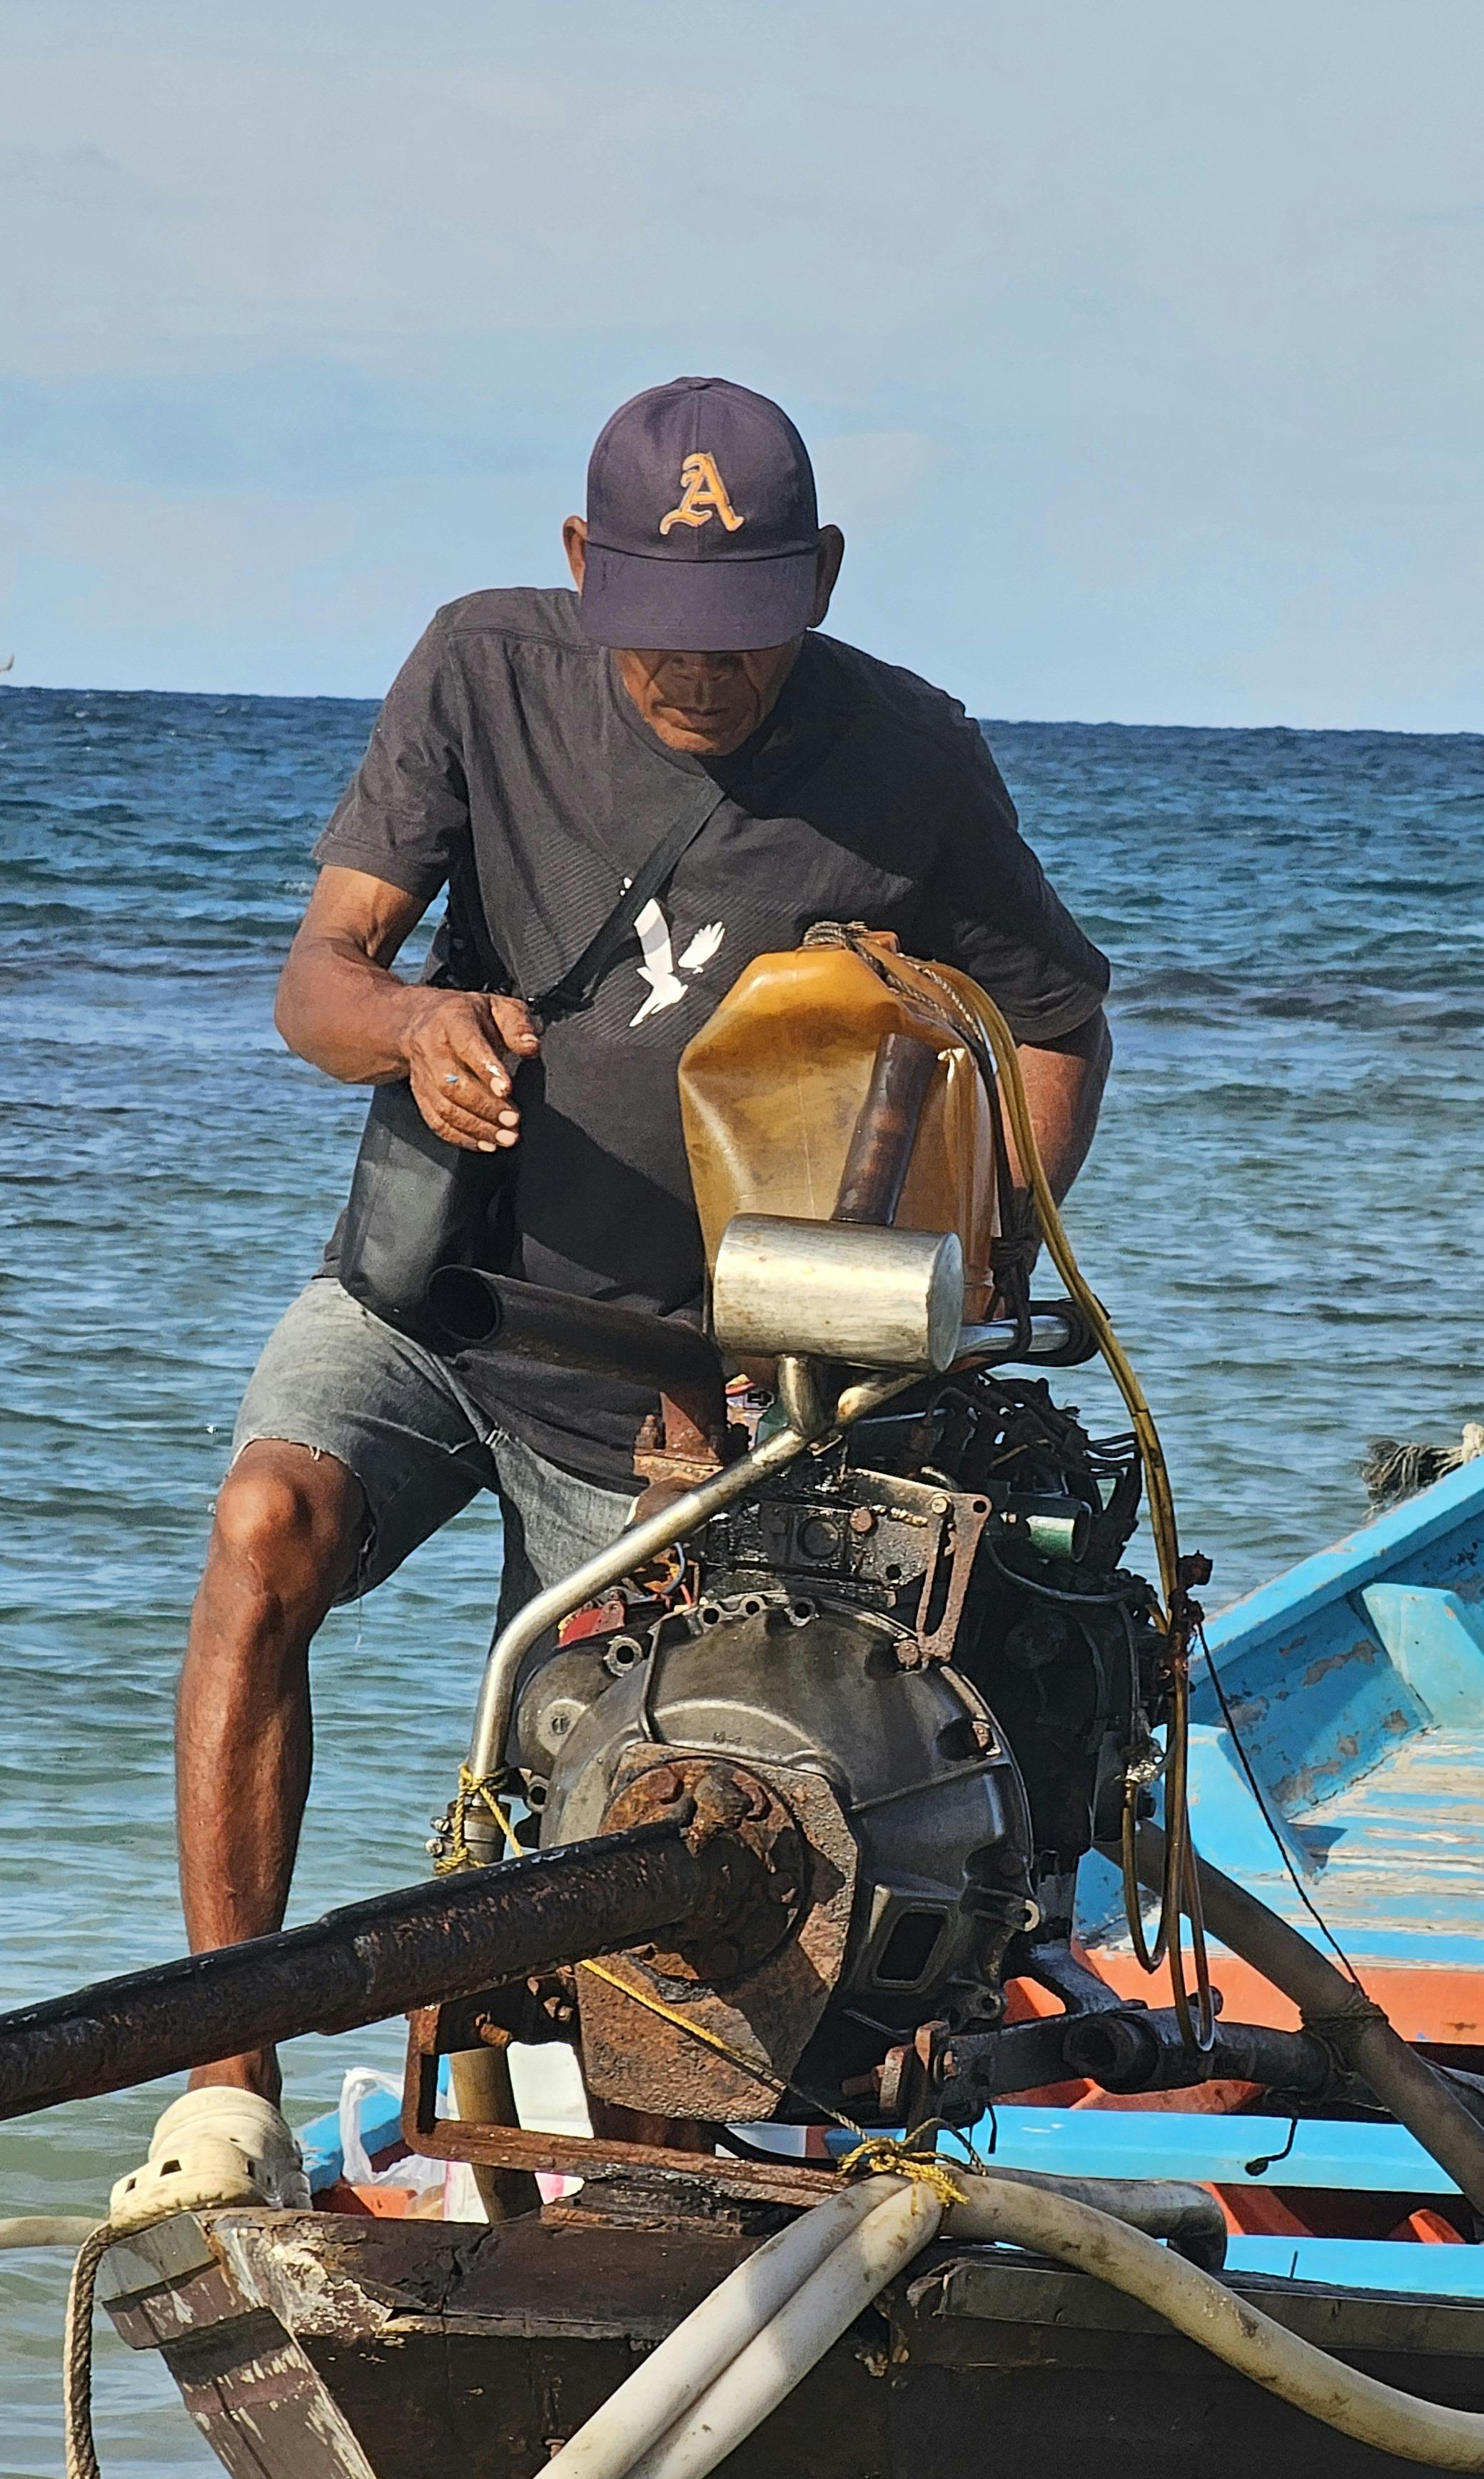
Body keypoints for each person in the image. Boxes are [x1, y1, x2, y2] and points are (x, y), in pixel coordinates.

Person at [168, 375, 1113, 2116]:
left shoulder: (910, 758)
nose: (693, 675)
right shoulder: (482, 666)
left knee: (604, 1778)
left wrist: (969, 1284)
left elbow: (1057, 1016)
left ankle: (535, 2135)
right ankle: (231, 2087)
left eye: (741, 636)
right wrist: (415, 1028)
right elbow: (320, 978)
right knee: (262, 1526)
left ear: (823, 575)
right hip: (437, 1289)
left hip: (684, 1377)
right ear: (578, 563)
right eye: (656, 631)